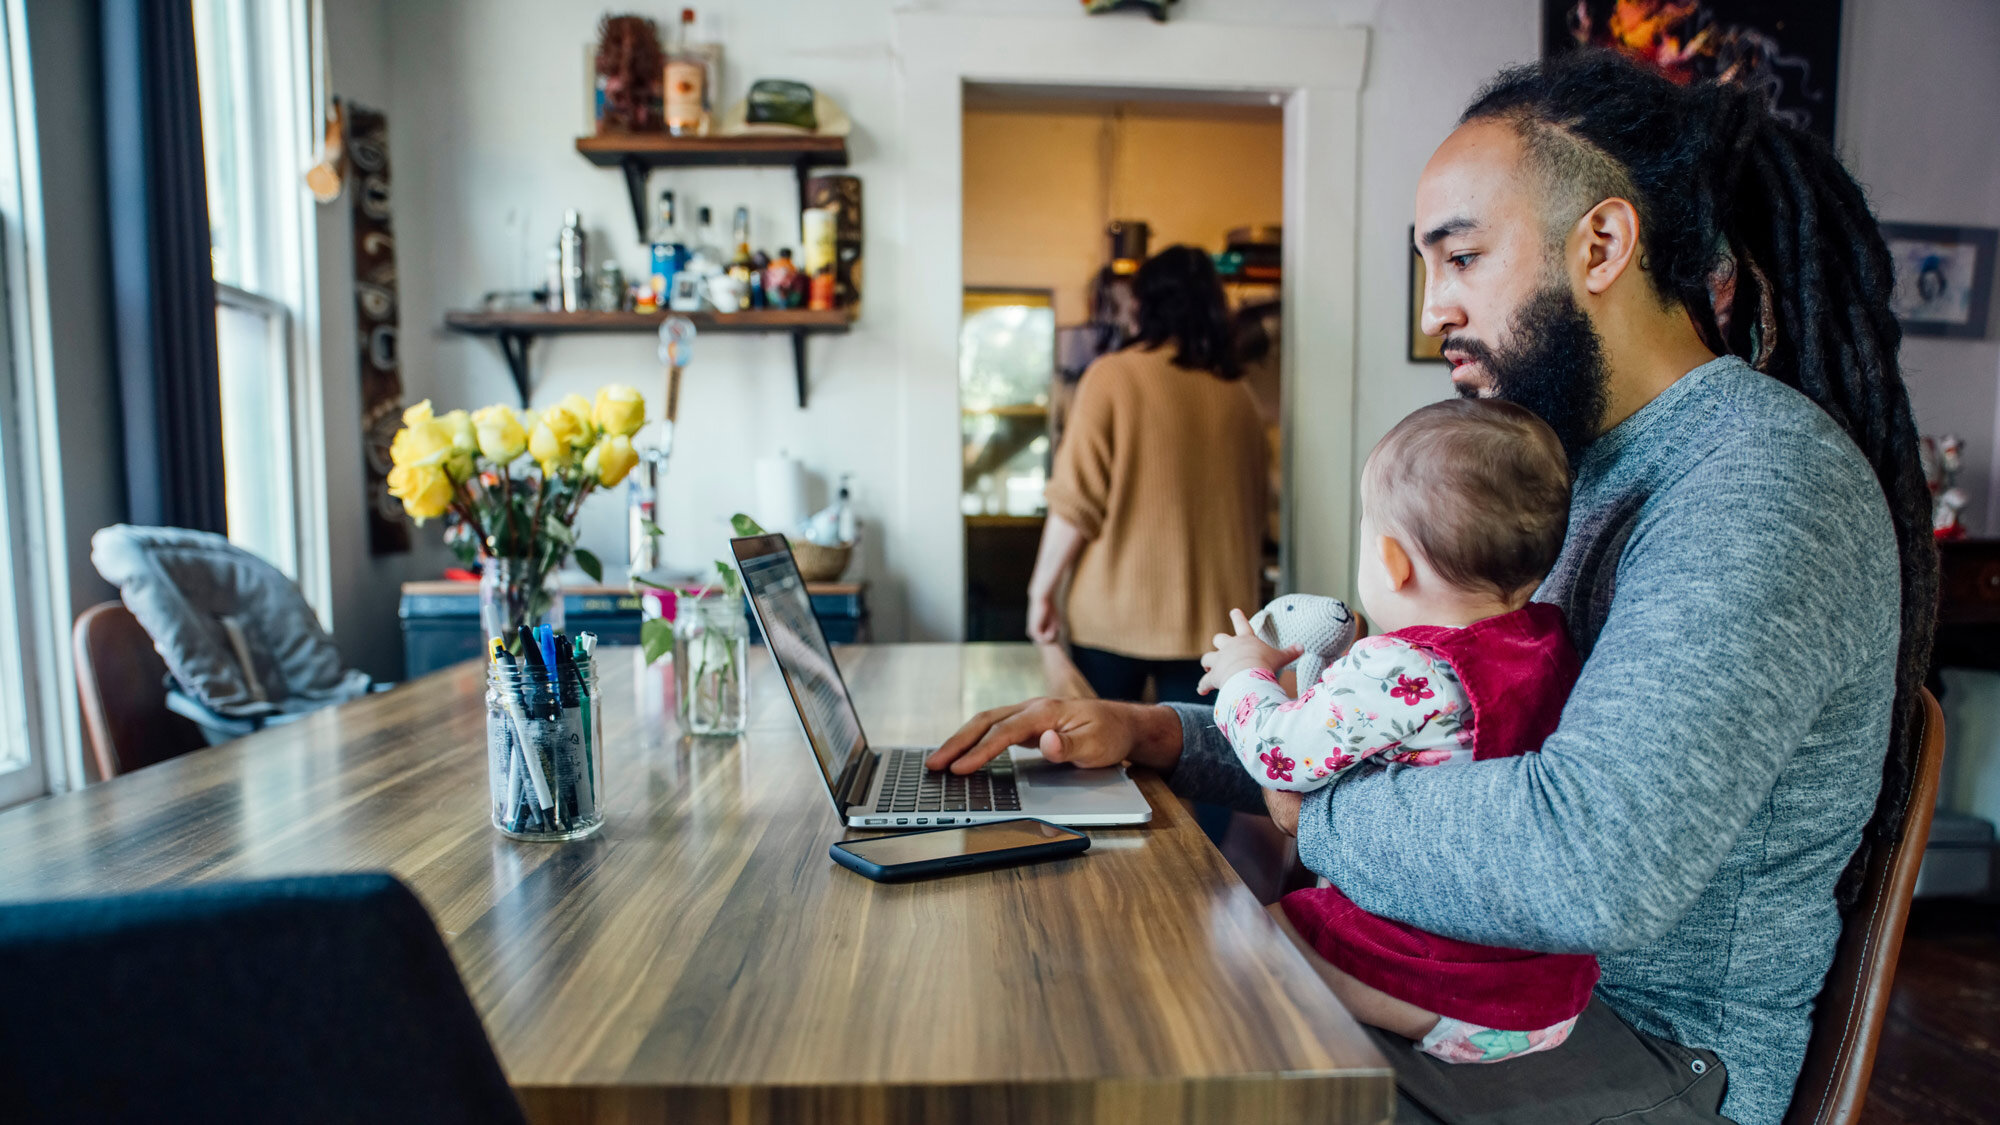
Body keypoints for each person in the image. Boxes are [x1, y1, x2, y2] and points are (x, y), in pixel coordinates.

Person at [933, 49, 1935, 1125]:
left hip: (1640, 1051)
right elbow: (1411, 732)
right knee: (1098, 998)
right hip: (1490, 993)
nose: (1433, 311)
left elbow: (1589, 863)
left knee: (1134, 1066)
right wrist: (1155, 733)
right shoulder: (1567, 466)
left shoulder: (1756, 486)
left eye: (1458, 259)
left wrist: (1304, 812)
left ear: (1600, 243)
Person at [1206, 399, 1593, 1066]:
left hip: (1450, 980)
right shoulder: (1547, 642)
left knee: (1247, 939)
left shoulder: (1398, 667)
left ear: (1390, 561)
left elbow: (1281, 752)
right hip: (1548, 985)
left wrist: (1244, 674)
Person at [1028, 245, 1266, 707]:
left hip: (1113, 621)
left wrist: (1040, 592)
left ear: (1143, 305)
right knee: (1196, 770)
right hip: (1214, 630)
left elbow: (1075, 503)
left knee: (1100, 769)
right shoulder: (1240, 396)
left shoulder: (1112, 377)